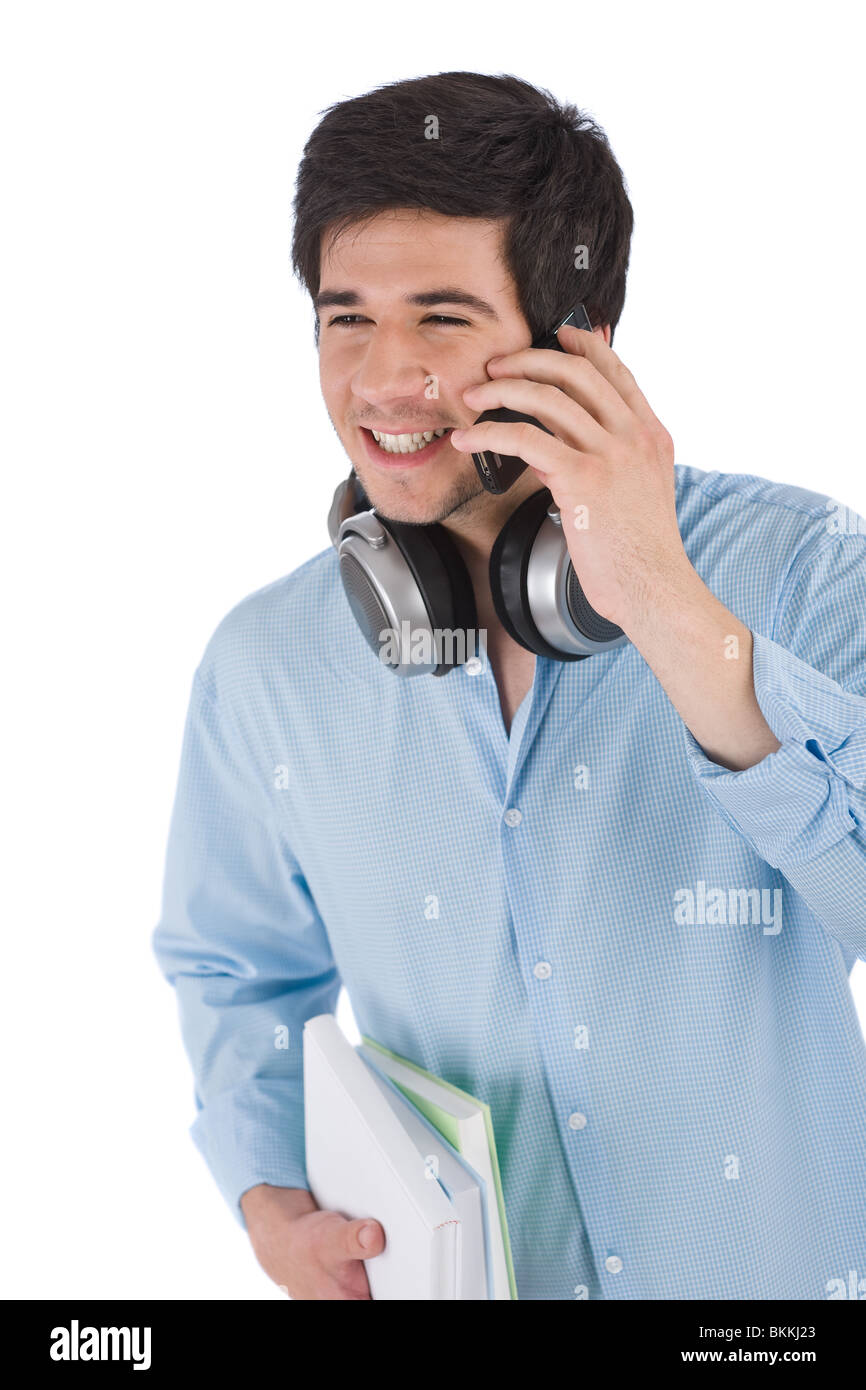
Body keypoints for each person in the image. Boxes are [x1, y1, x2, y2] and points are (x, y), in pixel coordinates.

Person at [152, 71, 866, 1301]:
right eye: (345, 319)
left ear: (571, 337)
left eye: (440, 318)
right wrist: (271, 1203)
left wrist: (663, 603)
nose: (382, 380)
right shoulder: (264, 663)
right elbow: (235, 970)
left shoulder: (802, 572)